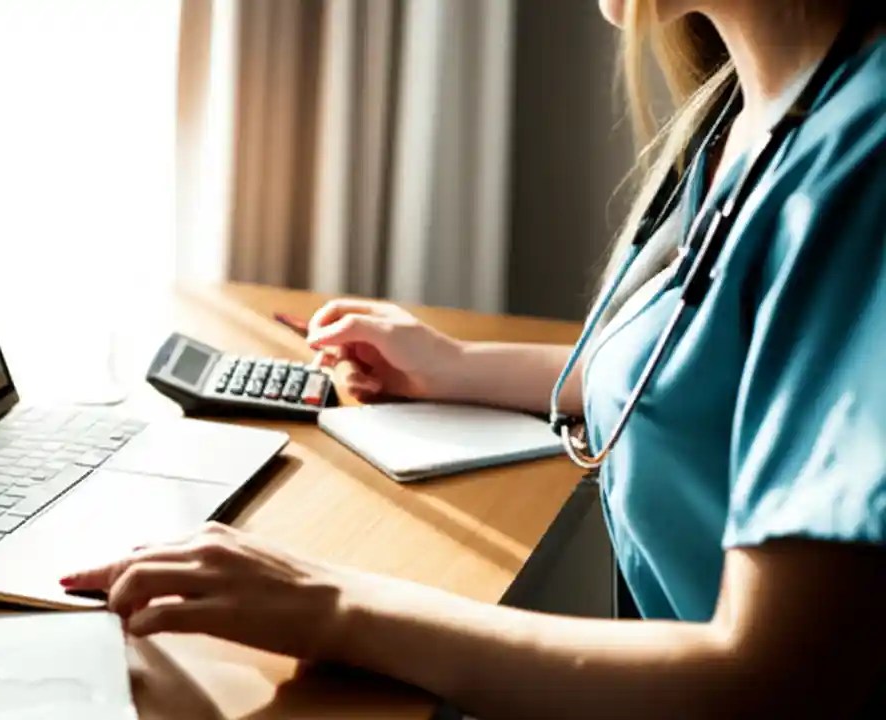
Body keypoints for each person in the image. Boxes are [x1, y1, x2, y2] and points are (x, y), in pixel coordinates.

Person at [63, 0, 886, 716]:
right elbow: (705, 371)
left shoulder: (862, 173)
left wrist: (334, 604)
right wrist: (456, 366)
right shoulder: (755, 107)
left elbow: (773, 683)